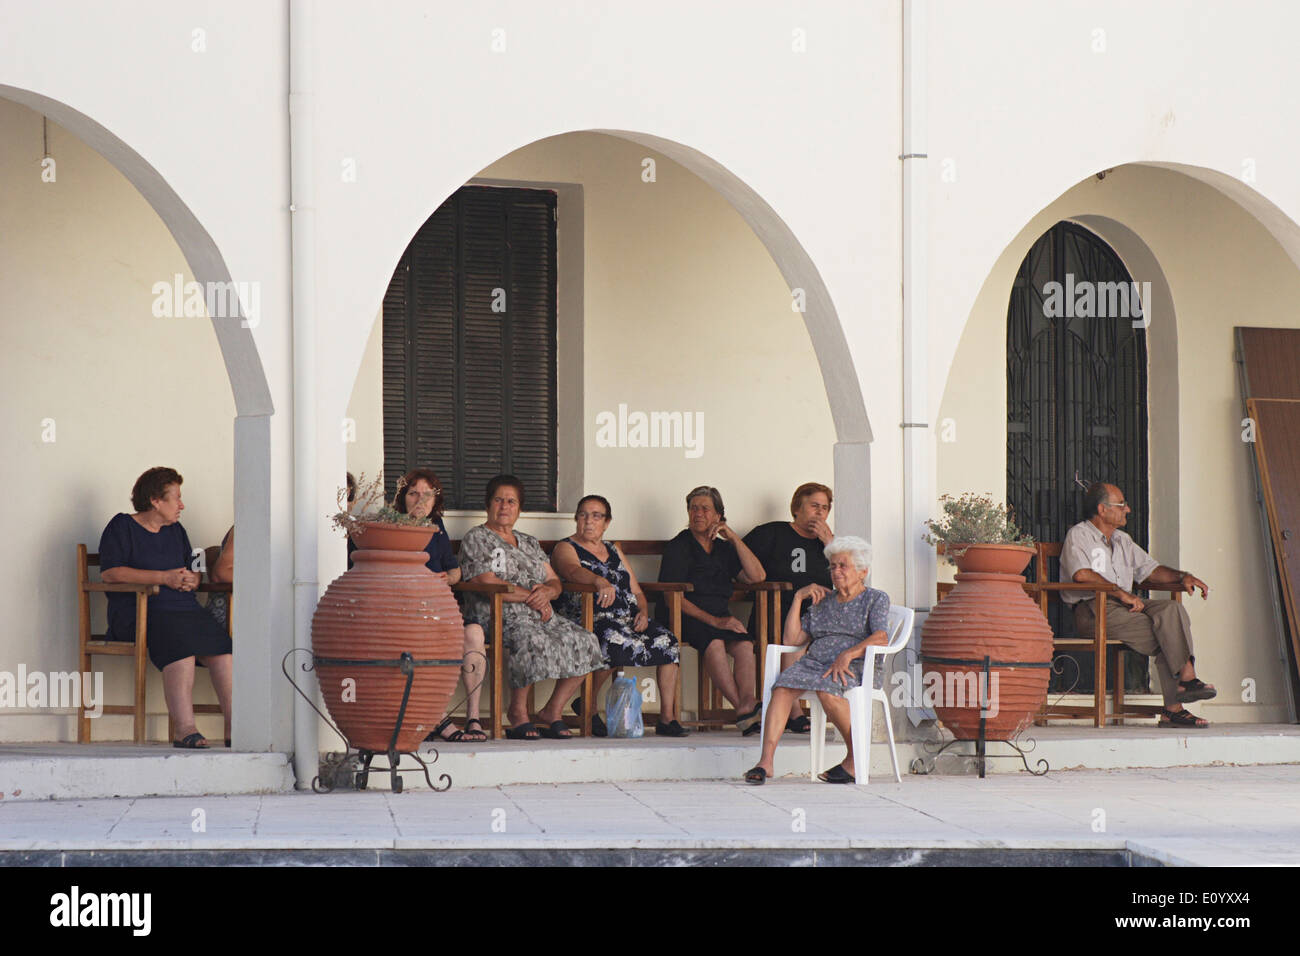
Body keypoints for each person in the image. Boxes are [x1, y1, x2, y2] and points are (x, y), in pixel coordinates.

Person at [457, 475, 604, 739]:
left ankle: (552, 711)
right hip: (497, 614)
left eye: (511, 501)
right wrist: (531, 597)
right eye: (499, 500)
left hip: (539, 613)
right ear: (488, 504)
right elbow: (484, 579)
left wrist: (549, 592)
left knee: (587, 640)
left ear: (519, 509)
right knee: (530, 638)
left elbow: (553, 580)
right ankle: (518, 712)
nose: (504, 506)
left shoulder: (529, 542)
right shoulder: (477, 538)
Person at [97, 467, 233, 749]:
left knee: (222, 649)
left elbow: (194, 568)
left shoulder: (176, 530)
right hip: (140, 612)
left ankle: (236, 725)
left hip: (183, 610)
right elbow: (111, 573)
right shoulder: (121, 526)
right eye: (177, 498)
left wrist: (191, 579)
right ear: (155, 500)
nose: (182, 505)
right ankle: (185, 730)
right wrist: (164, 578)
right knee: (180, 647)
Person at [1060, 482, 1215, 728]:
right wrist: (1120, 593)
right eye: (1121, 504)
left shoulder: (1122, 540)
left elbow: (1150, 571)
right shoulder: (1079, 535)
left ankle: (1185, 682)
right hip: (1093, 610)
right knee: (1168, 634)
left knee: (1171, 611)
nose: (1128, 509)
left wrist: (1182, 576)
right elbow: (1081, 574)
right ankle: (1175, 705)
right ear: (1102, 509)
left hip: (1126, 608)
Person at [744, 536, 890, 785]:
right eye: (833, 566)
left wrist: (849, 653)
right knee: (782, 687)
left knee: (827, 691)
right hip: (816, 662)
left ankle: (855, 760)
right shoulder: (824, 602)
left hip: (855, 664)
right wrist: (799, 598)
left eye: (843, 565)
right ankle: (766, 762)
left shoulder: (875, 599)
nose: (836, 571)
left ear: (862, 571)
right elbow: (792, 638)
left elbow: (881, 637)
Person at [551, 495, 687, 737]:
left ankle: (668, 717)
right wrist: (598, 580)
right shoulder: (566, 547)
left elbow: (636, 591)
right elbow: (571, 570)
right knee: (614, 641)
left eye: (596, 516)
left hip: (628, 618)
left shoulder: (614, 549)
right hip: (589, 616)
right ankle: (588, 704)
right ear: (576, 519)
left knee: (668, 641)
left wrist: (643, 612)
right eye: (583, 514)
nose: (588, 521)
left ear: (607, 522)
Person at [384, 468, 489, 744]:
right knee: (424, 639)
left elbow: (455, 572)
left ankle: (474, 717)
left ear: (435, 500)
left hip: (440, 609)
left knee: (474, 633)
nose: (420, 499)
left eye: (427, 494)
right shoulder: (393, 527)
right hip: (408, 612)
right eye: (413, 493)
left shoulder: (437, 527)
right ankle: (439, 718)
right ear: (402, 498)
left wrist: (447, 577)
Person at [655, 486, 766, 735]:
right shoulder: (679, 546)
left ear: (718, 516)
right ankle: (743, 710)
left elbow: (757, 576)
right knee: (715, 643)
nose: (698, 513)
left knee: (745, 644)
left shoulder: (724, 549)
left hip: (720, 616)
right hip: (683, 615)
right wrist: (716, 622)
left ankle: (748, 705)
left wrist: (734, 537)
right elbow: (672, 597)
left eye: (705, 509)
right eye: (693, 508)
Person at [743, 482, 835, 733]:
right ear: (796, 508)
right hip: (776, 609)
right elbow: (741, 571)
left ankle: (796, 708)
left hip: (819, 615)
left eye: (825, 508)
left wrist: (829, 543)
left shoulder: (830, 545)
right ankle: (793, 709)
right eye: (814, 506)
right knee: (792, 632)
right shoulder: (772, 533)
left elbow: (848, 580)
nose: (820, 513)